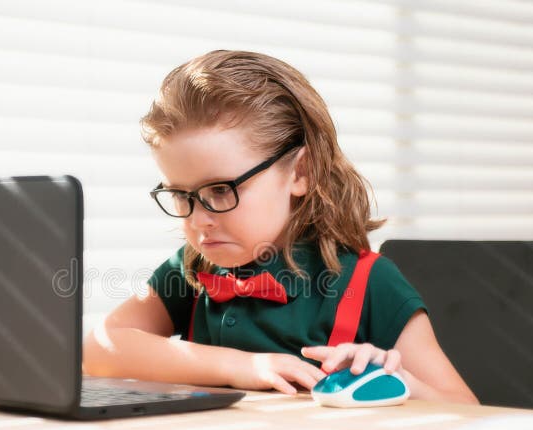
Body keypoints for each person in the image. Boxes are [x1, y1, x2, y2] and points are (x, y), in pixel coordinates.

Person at [83, 50, 478, 404]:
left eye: (221, 190)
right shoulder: (191, 269)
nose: (197, 218)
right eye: (181, 196)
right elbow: (99, 349)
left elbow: (465, 409)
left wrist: (400, 379)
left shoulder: (371, 281)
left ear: (300, 172)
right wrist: (241, 366)